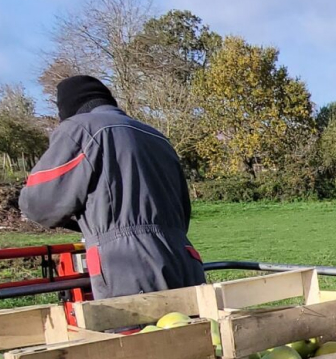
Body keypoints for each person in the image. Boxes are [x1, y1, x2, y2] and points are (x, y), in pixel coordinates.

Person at [20, 75, 207, 299]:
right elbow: (182, 211)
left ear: (67, 107)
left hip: (127, 264)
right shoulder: (156, 136)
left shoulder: (80, 130)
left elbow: (39, 205)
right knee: (192, 330)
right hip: (183, 256)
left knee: (135, 333)